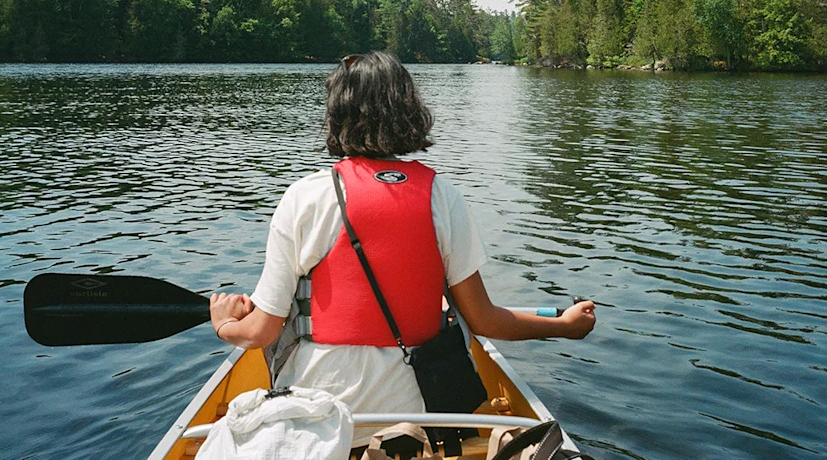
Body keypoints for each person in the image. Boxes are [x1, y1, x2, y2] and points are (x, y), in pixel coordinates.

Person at [208, 51, 596, 433]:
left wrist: (225, 324)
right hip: (416, 414)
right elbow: (484, 320)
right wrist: (564, 325)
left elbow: (260, 332)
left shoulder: (304, 197)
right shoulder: (442, 196)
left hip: (322, 414)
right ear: (407, 110)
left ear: (336, 114)